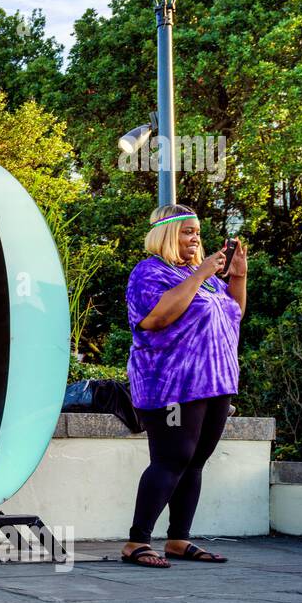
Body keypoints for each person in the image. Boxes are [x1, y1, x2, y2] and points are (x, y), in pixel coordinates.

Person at [120, 204, 247, 568]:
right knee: (171, 459)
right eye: (188, 231)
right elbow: (157, 318)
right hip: (171, 385)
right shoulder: (149, 272)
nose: (195, 239)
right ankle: (137, 542)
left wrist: (236, 278)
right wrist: (201, 272)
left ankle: (178, 539)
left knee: (195, 462)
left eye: (198, 233)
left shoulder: (204, 277)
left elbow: (233, 316)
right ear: (166, 234)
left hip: (216, 382)